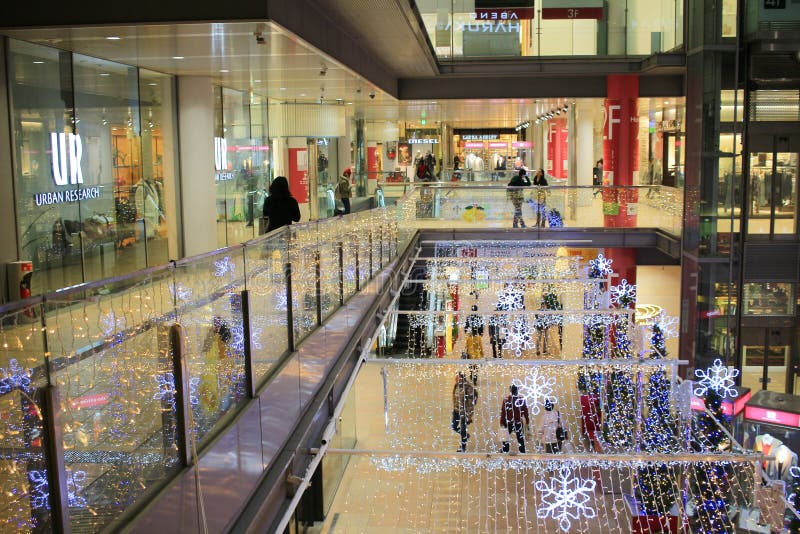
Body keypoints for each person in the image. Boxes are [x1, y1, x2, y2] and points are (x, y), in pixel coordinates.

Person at [500, 384, 530, 453]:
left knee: (506, 439)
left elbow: (503, 411)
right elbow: (525, 411)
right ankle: (522, 451)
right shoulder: (521, 399)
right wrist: (527, 420)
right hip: (518, 422)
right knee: (520, 439)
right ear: (517, 390)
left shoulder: (506, 400)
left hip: (508, 423)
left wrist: (502, 421)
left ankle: (505, 450)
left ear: (510, 390)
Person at [452, 372, 478, 452]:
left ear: (462, 378)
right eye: (456, 378)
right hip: (456, 410)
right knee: (454, 426)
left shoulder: (468, 388)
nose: (456, 379)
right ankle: (466, 436)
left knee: (463, 430)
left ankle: (463, 447)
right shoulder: (456, 385)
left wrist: (469, 416)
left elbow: (471, 404)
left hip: (464, 412)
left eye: (457, 378)